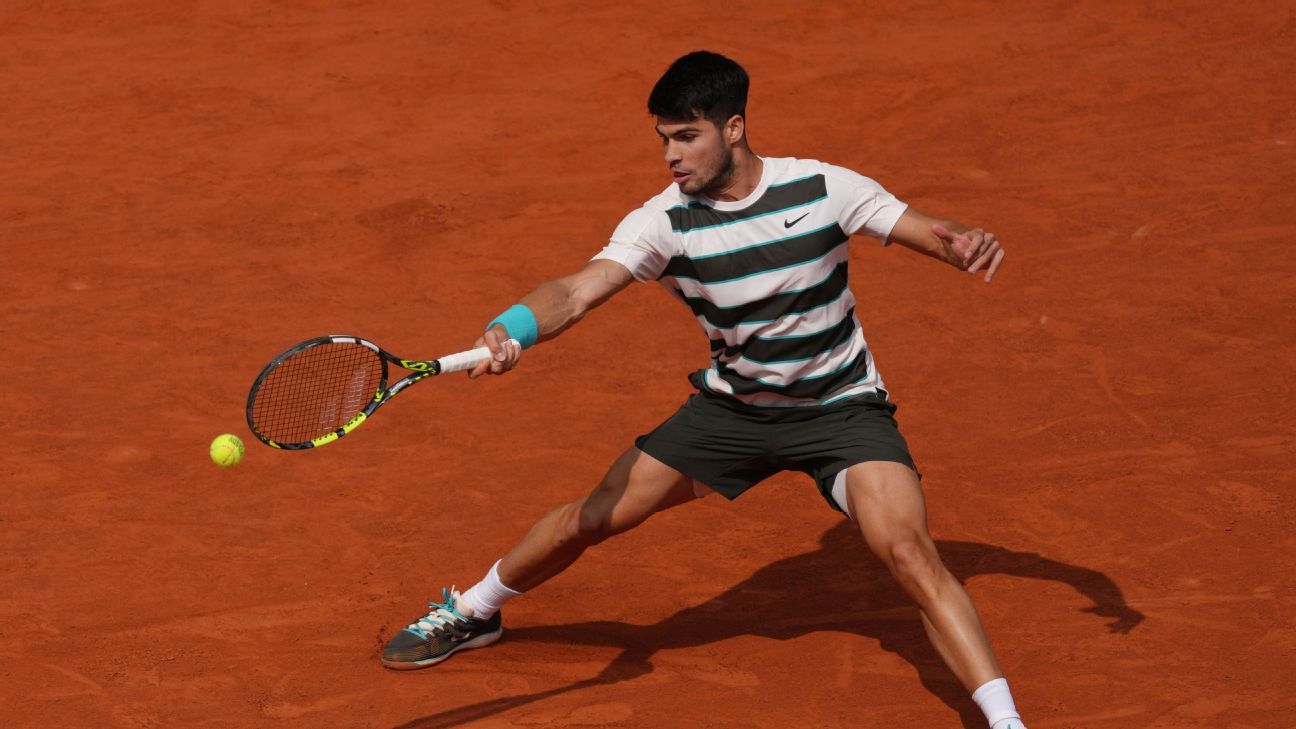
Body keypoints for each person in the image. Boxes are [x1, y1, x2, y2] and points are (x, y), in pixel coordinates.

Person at [382, 51, 1023, 729]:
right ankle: (474, 610)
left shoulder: (824, 188)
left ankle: (1007, 722)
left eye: (686, 136)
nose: (671, 156)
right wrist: (512, 328)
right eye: (664, 139)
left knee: (908, 550)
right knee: (592, 517)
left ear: (735, 128)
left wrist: (962, 243)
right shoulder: (664, 221)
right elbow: (576, 291)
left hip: (840, 409)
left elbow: (926, 230)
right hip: (734, 413)